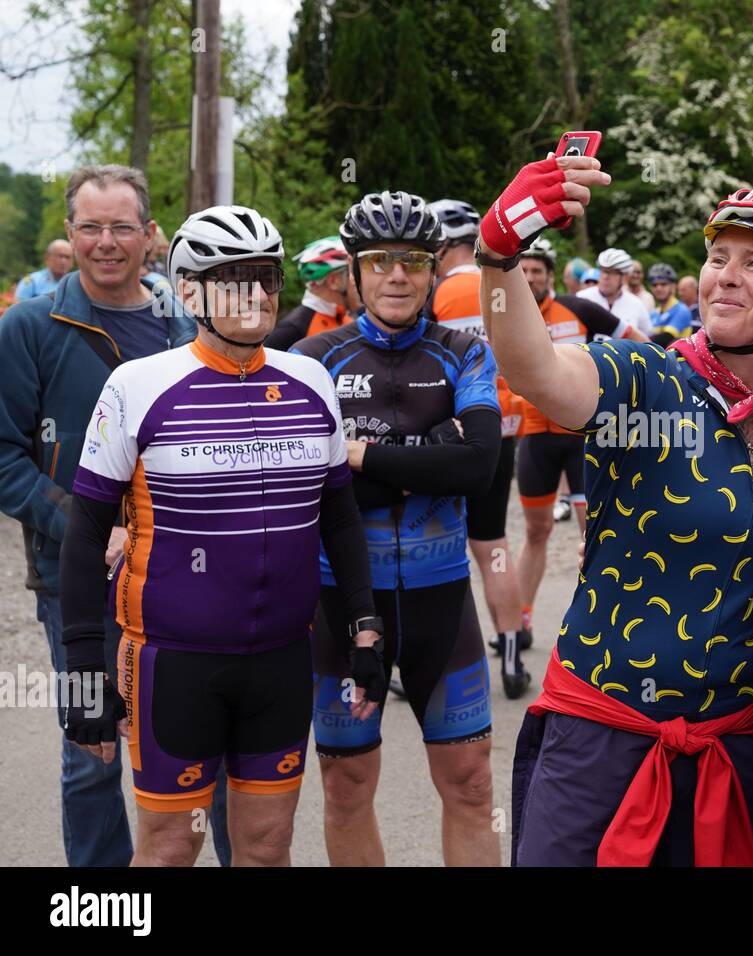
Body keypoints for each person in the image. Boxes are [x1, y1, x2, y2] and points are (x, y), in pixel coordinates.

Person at [475, 151, 753, 866]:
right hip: (601, 737)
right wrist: (499, 251)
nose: (724, 274)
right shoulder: (643, 378)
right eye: (718, 256)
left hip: (735, 747)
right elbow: (538, 372)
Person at [58, 203, 381, 867]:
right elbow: (87, 531)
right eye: (232, 277)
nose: (255, 293)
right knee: (171, 848)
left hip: (283, 660)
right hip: (172, 663)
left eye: (265, 276)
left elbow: (340, 519)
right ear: (187, 290)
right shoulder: (139, 386)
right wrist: (85, 669)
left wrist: (365, 626)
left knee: (266, 847)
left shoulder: (310, 381)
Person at [0, 164, 226, 867]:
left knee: (205, 749)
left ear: (150, 236)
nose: (105, 241)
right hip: (74, 586)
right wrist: (92, 531)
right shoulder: (29, 327)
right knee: (92, 753)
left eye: (121, 226)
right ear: (69, 233)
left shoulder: (187, 326)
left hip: (189, 581)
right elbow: (6, 457)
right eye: (90, 227)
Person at [294, 190, 505, 866]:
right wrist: (427, 455)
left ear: (433, 270)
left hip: (442, 598)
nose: (396, 276)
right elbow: (312, 484)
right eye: (378, 260)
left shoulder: (465, 352)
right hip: (339, 601)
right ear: (352, 272)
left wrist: (359, 457)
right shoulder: (314, 358)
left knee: (472, 783)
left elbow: (478, 466)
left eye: (412, 261)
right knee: (347, 784)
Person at [513, 237, 647, 658]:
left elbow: (641, 341)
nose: (531, 277)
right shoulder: (508, 313)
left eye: (538, 270)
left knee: (596, 532)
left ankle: (599, 619)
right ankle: (519, 622)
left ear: (551, 276)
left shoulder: (580, 308)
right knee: (536, 531)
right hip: (534, 436)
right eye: (524, 271)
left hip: (585, 439)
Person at [428, 197, 531, 683]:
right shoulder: (506, 282)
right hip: (505, 426)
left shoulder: (435, 293)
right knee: (493, 544)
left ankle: (438, 659)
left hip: (451, 433)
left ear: (439, 245)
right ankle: (511, 654)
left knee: (438, 543)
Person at [265, 236, 358, 350]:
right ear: (334, 281)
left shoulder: (346, 319)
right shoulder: (292, 329)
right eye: (352, 274)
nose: (357, 281)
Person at [577, 248, 651, 336]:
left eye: (611, 272)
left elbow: (647, 339)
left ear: (624, 277)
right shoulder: (582, 298)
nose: (605, 276)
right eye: (603, 271)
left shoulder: (637, 304)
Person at [645, 262, 693, 345]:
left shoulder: (681, 310)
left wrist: (637, 343)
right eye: (654, 285)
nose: (658, 288)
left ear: (673, 286)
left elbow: (666, 338)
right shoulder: (653, 313)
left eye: (663, 284)